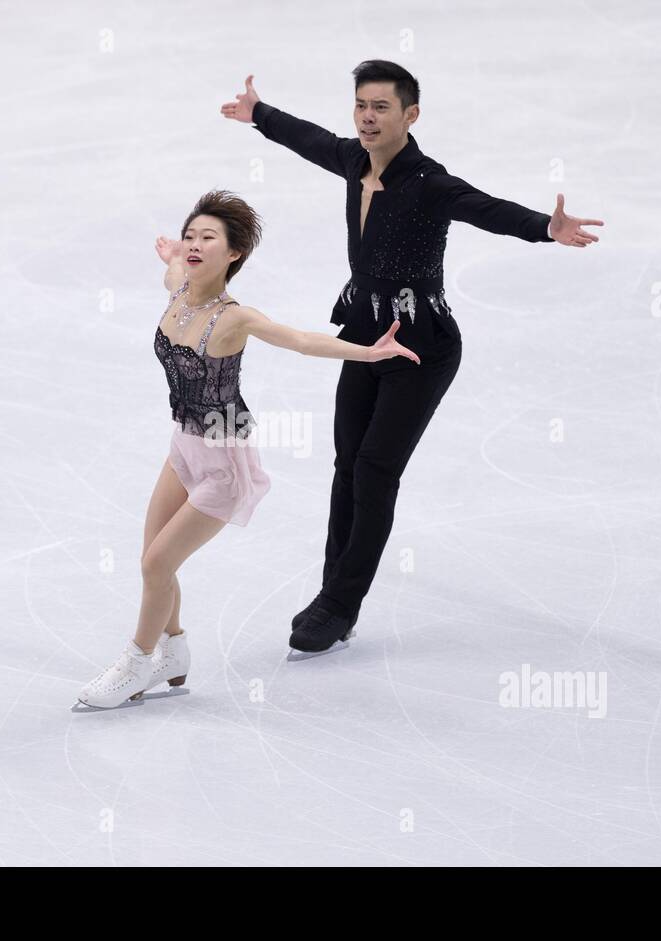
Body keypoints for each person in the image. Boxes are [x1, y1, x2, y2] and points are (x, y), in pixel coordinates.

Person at [220, 61, 605, 652]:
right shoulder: (352, 159)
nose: (368, 118)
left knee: (375, 469)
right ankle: (333, 596)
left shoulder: (428, 181)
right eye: (360, 106)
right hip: (365, 339)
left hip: (421, 348)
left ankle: (340, 604)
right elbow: (309, 139)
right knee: (347, 465)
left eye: (381, 108)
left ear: (410, 115)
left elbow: (486, 208)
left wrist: (544, 228)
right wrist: (259, 115)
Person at [77, 189, 419, 708]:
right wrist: (174, 250)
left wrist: (369, 352)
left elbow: (301, 340)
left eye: (207, 238)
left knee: (155, 566)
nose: (194, 245)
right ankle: (173, 651)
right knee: (153, 560)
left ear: (233, 253)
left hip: (223, 463)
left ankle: (133, 665)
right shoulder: (177, 289)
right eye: (191, 234)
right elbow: (173, 262)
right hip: (184, 445)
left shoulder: (234, 317)